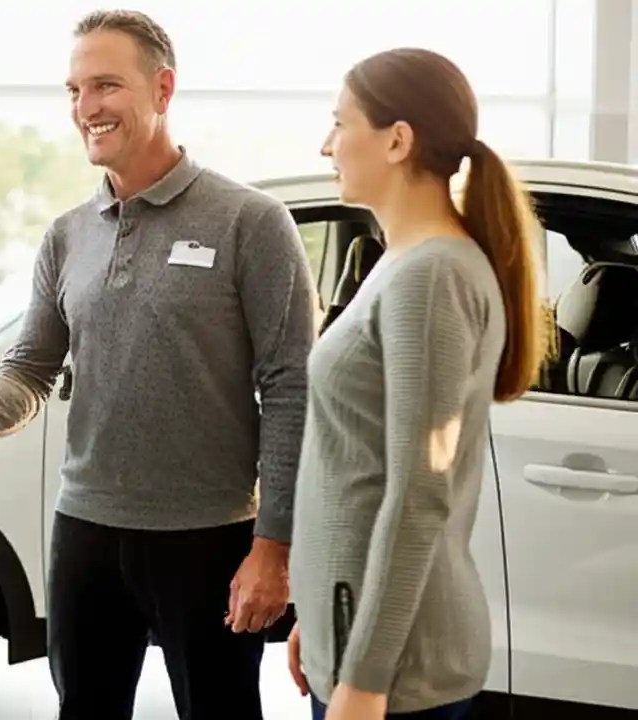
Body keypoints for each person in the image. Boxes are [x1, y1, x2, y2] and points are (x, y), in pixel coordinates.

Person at [0, 10, 317, 720]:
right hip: (85, 531)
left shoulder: (251, 222)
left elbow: (289, 387)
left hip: (209, 536)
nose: (86, 108)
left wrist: (272, 547)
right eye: (73, 90)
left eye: (105, 85)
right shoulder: (66, 236)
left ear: (163, 88)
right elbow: (29, 370)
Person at [286, 48, 545, 720]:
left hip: (395, 676)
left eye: (339, 124)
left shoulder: (431, 280)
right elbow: (356, 469)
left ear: (398, 140)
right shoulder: (403, 262)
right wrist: (317, 623)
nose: (326, 144)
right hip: (355, 639)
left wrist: (366, 674)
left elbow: (419, 489)